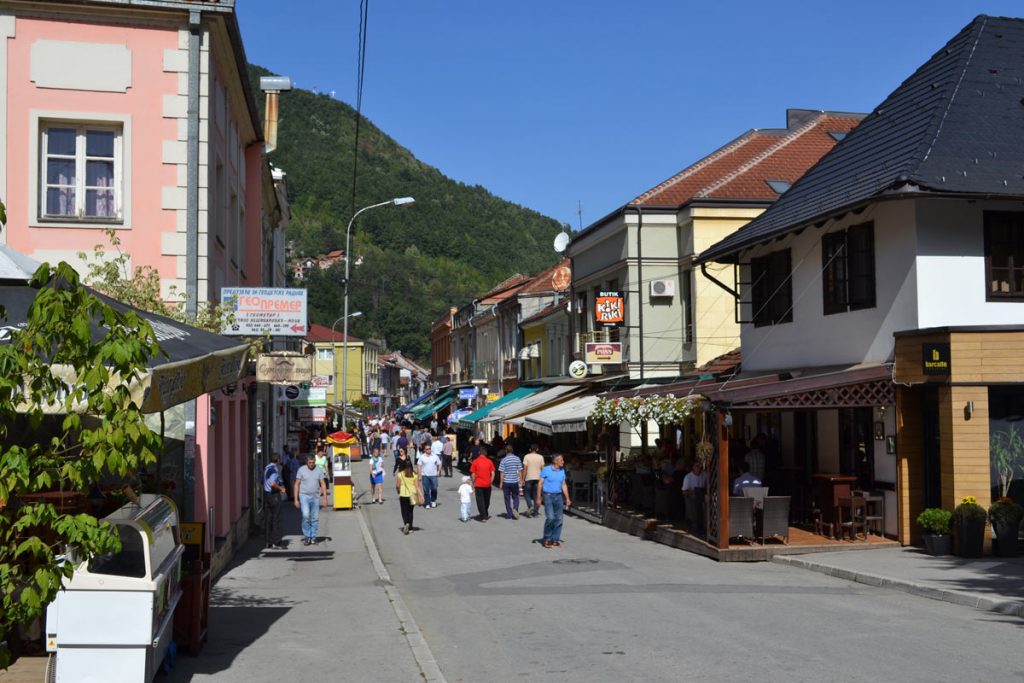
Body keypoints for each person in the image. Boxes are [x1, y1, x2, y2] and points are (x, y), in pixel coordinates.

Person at [537, 454, 571, 548]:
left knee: (559, 519)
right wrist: (538, 498)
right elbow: (540, 484)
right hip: (547, 496)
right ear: (555, 461)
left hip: (558, 497)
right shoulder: (546, 470)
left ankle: (555, 539)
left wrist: (567, 498)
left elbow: (563, 485)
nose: (563, 462)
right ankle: (547, 538)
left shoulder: (562, 471)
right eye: (561, 460)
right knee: (551, 517)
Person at [293, 454, 327, 546]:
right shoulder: (301, 470)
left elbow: (323, 484)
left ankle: (313, 537)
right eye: (310, 463)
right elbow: (296, 484)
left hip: (315, 497)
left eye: (313, 463)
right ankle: (307, 536)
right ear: (306, 462)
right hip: (304, 496)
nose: (311, 464)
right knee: (306, 515)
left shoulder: (319, 470)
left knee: (315, 518)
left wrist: (324, 498)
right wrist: (296, 499)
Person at [263, 454, 286, 550]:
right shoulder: (274, 469)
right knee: (276, 518)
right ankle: (276, 542)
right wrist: (281, 488)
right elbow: (272, 483)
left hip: (267, 495)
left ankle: (268, 541)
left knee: (269, 518)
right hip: (274, 495)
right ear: (278, 460)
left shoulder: (267, 467)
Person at [498, 445, 523, 520]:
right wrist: (521, 480)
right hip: (515, 481)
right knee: (516, 496)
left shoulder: (504, 460)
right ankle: (515, 508)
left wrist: (501, 482)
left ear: (506, 451)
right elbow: (519, 470)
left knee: (507, 498)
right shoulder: (517, 459)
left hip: (506, 482)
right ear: (512, 450)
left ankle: (509, 514)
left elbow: (502, 472)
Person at [470, 450, 496, 521]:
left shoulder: (475, 461)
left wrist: (473, 483)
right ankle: (485, 513)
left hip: (478, 484)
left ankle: (483, 516)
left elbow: (473, 474)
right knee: (486, 500)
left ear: (479, 453)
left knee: (480, 500)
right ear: (486, 454)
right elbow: (493, 473)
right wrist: (491, 481)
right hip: (487, 484)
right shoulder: (489, 461)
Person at [681, 462, 707, 534]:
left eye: (700, 466)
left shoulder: (704, 474)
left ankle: (705, 525)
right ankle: (694, 524)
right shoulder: (688, 477)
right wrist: (693, 492)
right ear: (693, 467)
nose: (699, 467)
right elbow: (684, 492)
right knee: (694, 503)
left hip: (702, 496)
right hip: (692, 497)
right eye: (697, 466)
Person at [395, 460, 420, 535]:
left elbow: (397, 486)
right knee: (410, 511)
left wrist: (398, 491)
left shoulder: (400, 474)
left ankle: (406, 523)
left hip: (403, 495)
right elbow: (417, 486)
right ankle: (411, 527)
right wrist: (421, 496)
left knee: (404, 511)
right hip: (412, 494)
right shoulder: (414, 474)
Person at [521, 445, 545, 518]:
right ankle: (536, 512)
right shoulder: (541, 457)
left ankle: (530, 506)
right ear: (537, 449)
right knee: (536, 495)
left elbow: (525, 468)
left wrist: (523, 478)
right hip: (538, 478)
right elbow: (543, 468)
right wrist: (543, 478)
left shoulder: (526, 456)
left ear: (529, 449)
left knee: (526, 494)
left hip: (529, 477)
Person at [417, 442, 442, 508]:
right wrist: (419, 475)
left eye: (429, 449)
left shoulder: (435, 456)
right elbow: (419, 466)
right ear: (424, 450)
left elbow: (439, 463)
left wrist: (439, 471)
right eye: (427, 449)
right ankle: (427, 503)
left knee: (434, 488)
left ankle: (433, 500)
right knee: (426, 490)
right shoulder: (422, 457)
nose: (428, 450)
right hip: (425, 475)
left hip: (434, 475)